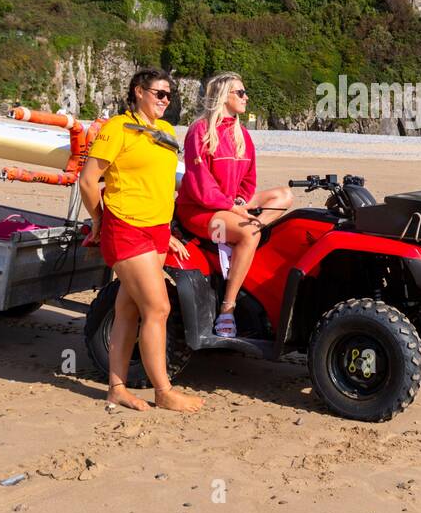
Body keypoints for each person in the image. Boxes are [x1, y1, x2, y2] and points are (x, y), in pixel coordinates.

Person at [78, 69, 204, 413]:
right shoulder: (117, 128)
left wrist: (171, 232)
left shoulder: (164, 131)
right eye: (159, 93)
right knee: (158, 307)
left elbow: (161, 184)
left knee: (128, 308)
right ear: (138, 92)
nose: (165, 100)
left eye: (169, 95)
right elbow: (88, 181)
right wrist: (99, 220)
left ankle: (117, 388)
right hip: (126, 227)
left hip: (158, 230)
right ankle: (163, 390)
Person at [176, 72, 292, 336]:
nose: (246, 97)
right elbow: (199, 183)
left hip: (228, 202)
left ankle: (243, 232)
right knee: (251, 232)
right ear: (222, 96)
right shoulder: (200, 130)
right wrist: (231, 207)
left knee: (284, 196)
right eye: (240, 92)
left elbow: (249, 178)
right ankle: (227, 309)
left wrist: (239, 201)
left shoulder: (242, 134)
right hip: (199, 209)